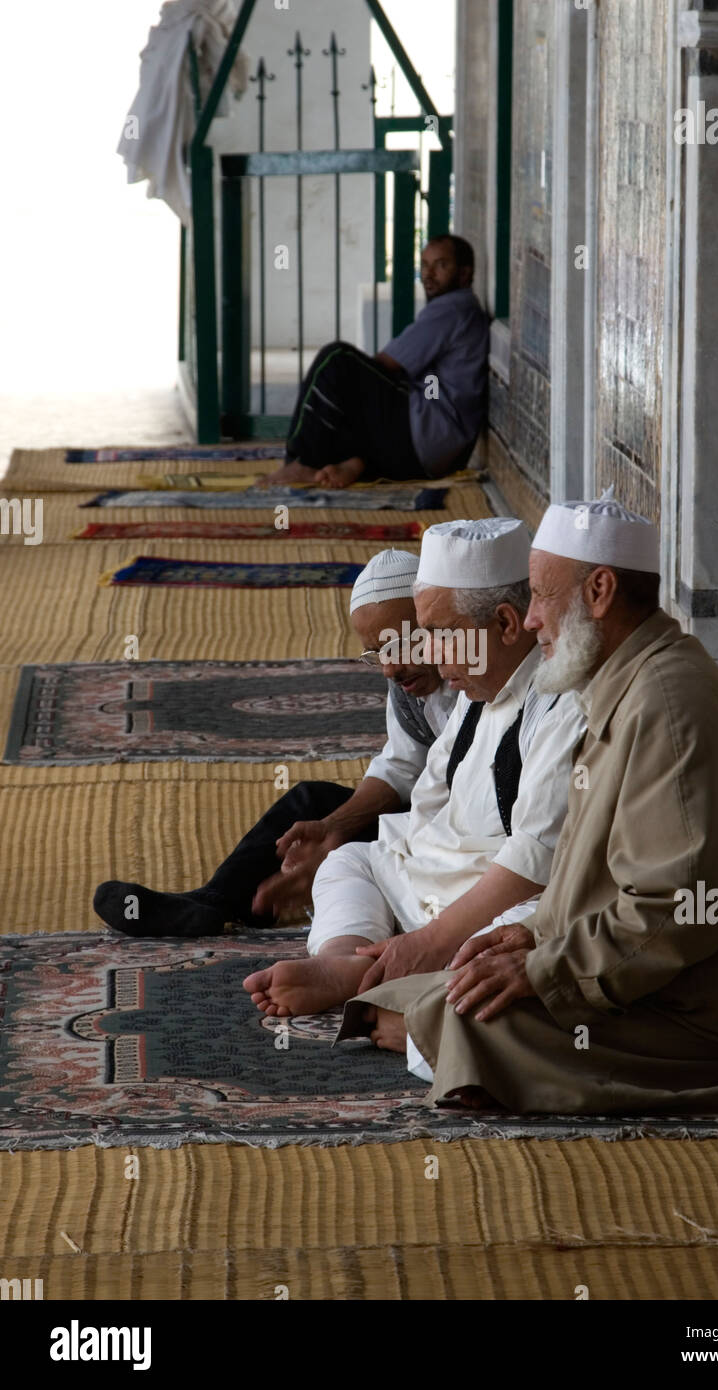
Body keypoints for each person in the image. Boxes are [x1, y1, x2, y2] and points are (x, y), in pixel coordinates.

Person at [338, 491, 718, 1123]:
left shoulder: (668, 707)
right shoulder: (624, 687)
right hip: (645, 979)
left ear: (598, 591)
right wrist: (533, 934)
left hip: (704, 1019)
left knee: (467, 1019)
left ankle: (453, 1043)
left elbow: (676, 909)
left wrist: (547, 967)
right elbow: (598, 879)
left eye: (542, 596)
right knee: (440, 992)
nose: (533, 620)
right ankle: (440, 1033)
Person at [243, 517, 586, 1019]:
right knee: (351, 861)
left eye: (438, 635)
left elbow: (535, 860)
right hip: (438, 880)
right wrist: (404, 863)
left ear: (508, 625)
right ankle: (348, 962)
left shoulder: (559, 705)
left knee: (532, 931)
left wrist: (429, 936)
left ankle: (396, 979)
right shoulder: (475, 690)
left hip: (494, 898)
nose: (425, 653)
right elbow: (424, 796)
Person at [92, 550, 455, 938]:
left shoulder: (475, 679)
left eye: (398, 646)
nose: (390, 669)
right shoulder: (410, 675)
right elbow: (401, 766)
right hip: (431, 815)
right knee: (312, 804)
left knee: (354, 846)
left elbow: (472, 809)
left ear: (436, 626)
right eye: (376, 654)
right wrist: (333, 827)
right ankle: (214, 902)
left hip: (464, 835)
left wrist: (346, 843)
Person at [257, 235, 489, 490]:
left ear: (465, 273)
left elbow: (386, 364)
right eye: (424, 265)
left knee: (337, 360)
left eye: (441, 265)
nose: (429, 274)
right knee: (361, 395)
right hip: (435, 456)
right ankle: (356, 462)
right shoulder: (464, 309)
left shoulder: (452, 309)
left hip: (425, 439)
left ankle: (300, 462)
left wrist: (357, 387)